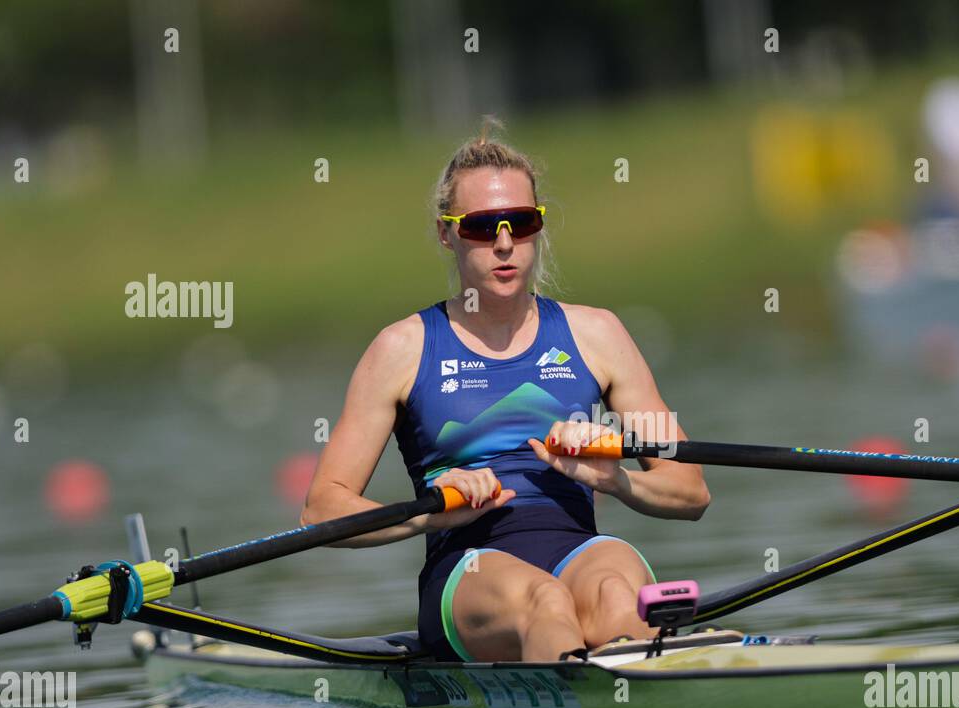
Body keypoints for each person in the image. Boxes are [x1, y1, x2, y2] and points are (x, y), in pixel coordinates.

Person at [301, 122, 709, 663]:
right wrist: (428, 514)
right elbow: (321, 510)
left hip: (577, 545)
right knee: (546, 601)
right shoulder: (401, 349)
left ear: (538, 227)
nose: (502, 243)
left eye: (520, 222)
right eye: (480, 227)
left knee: (616, 591)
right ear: (447, 234)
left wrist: (616, 480)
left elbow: (690, 490)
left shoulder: (600, 335)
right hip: (468, 565)